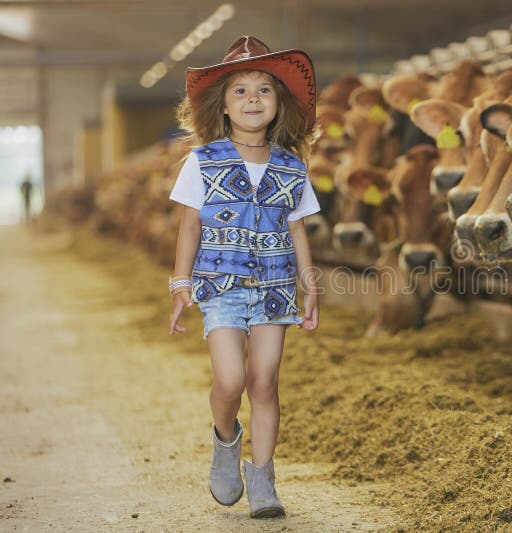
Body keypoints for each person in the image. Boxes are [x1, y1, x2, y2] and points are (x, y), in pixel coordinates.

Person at [167, 36, 320, 519]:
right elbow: (190, 225)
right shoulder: (203, 160)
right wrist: (179, 284)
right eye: (240, 91)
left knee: (265, 381)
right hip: (221, 286)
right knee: (230, 380)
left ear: (278, 106)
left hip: (275, 289)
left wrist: (310, 284)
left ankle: (264, 477)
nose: (253, 98)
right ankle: (226, 440)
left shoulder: (293, 168)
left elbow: (296, 230)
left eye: (264, 90)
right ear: (224, 107)